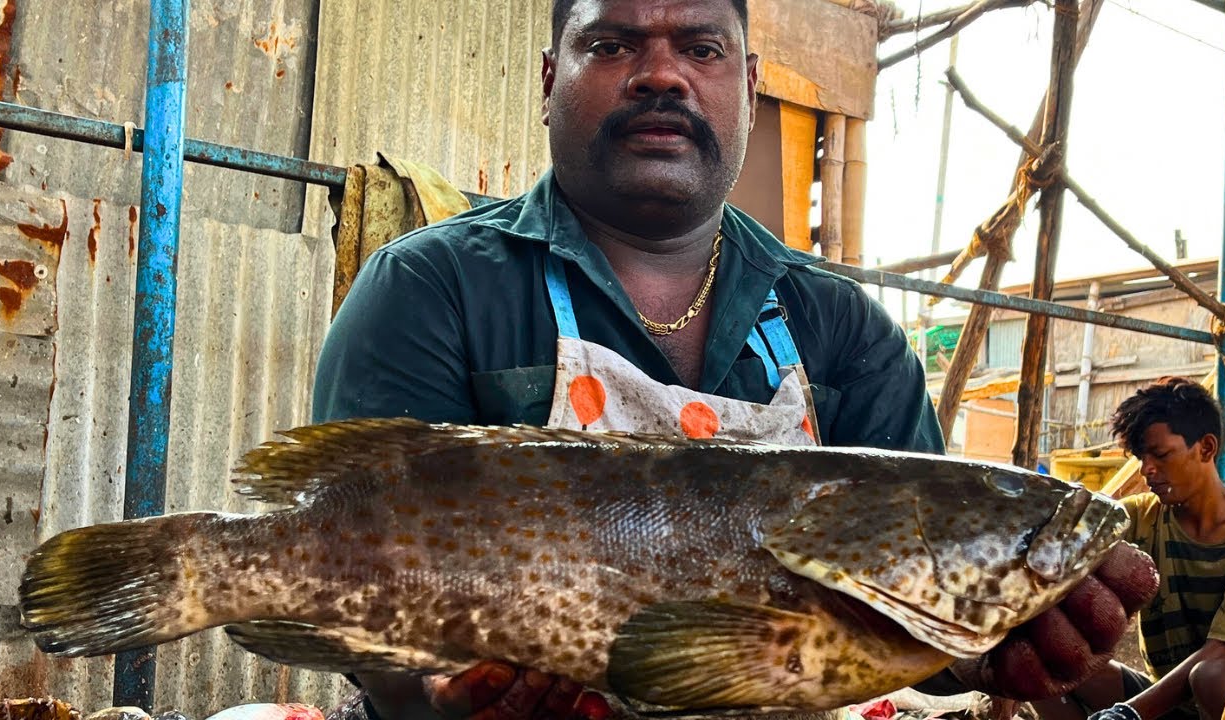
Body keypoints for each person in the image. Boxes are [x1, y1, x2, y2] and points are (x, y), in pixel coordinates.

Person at [312, 0, 1159, 718]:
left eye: (701, 47)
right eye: (611, 45)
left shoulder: (847, 331)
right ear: (548, 81)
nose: (660, 75)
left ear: (748, 86)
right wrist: (431, 690)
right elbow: (338, 565)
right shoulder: (429, 287)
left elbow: (915, 627)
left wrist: (997, 641)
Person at [1035, 378, 1225, 720]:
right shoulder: (1140, 516)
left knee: (1211, 676)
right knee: (1044, 663)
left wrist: (1128, 714)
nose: (1146, 469)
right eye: (1141, 457)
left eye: (1161, 454)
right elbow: (1068, 538)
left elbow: (1220, 651)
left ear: (1206, 448)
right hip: (1169, 700)